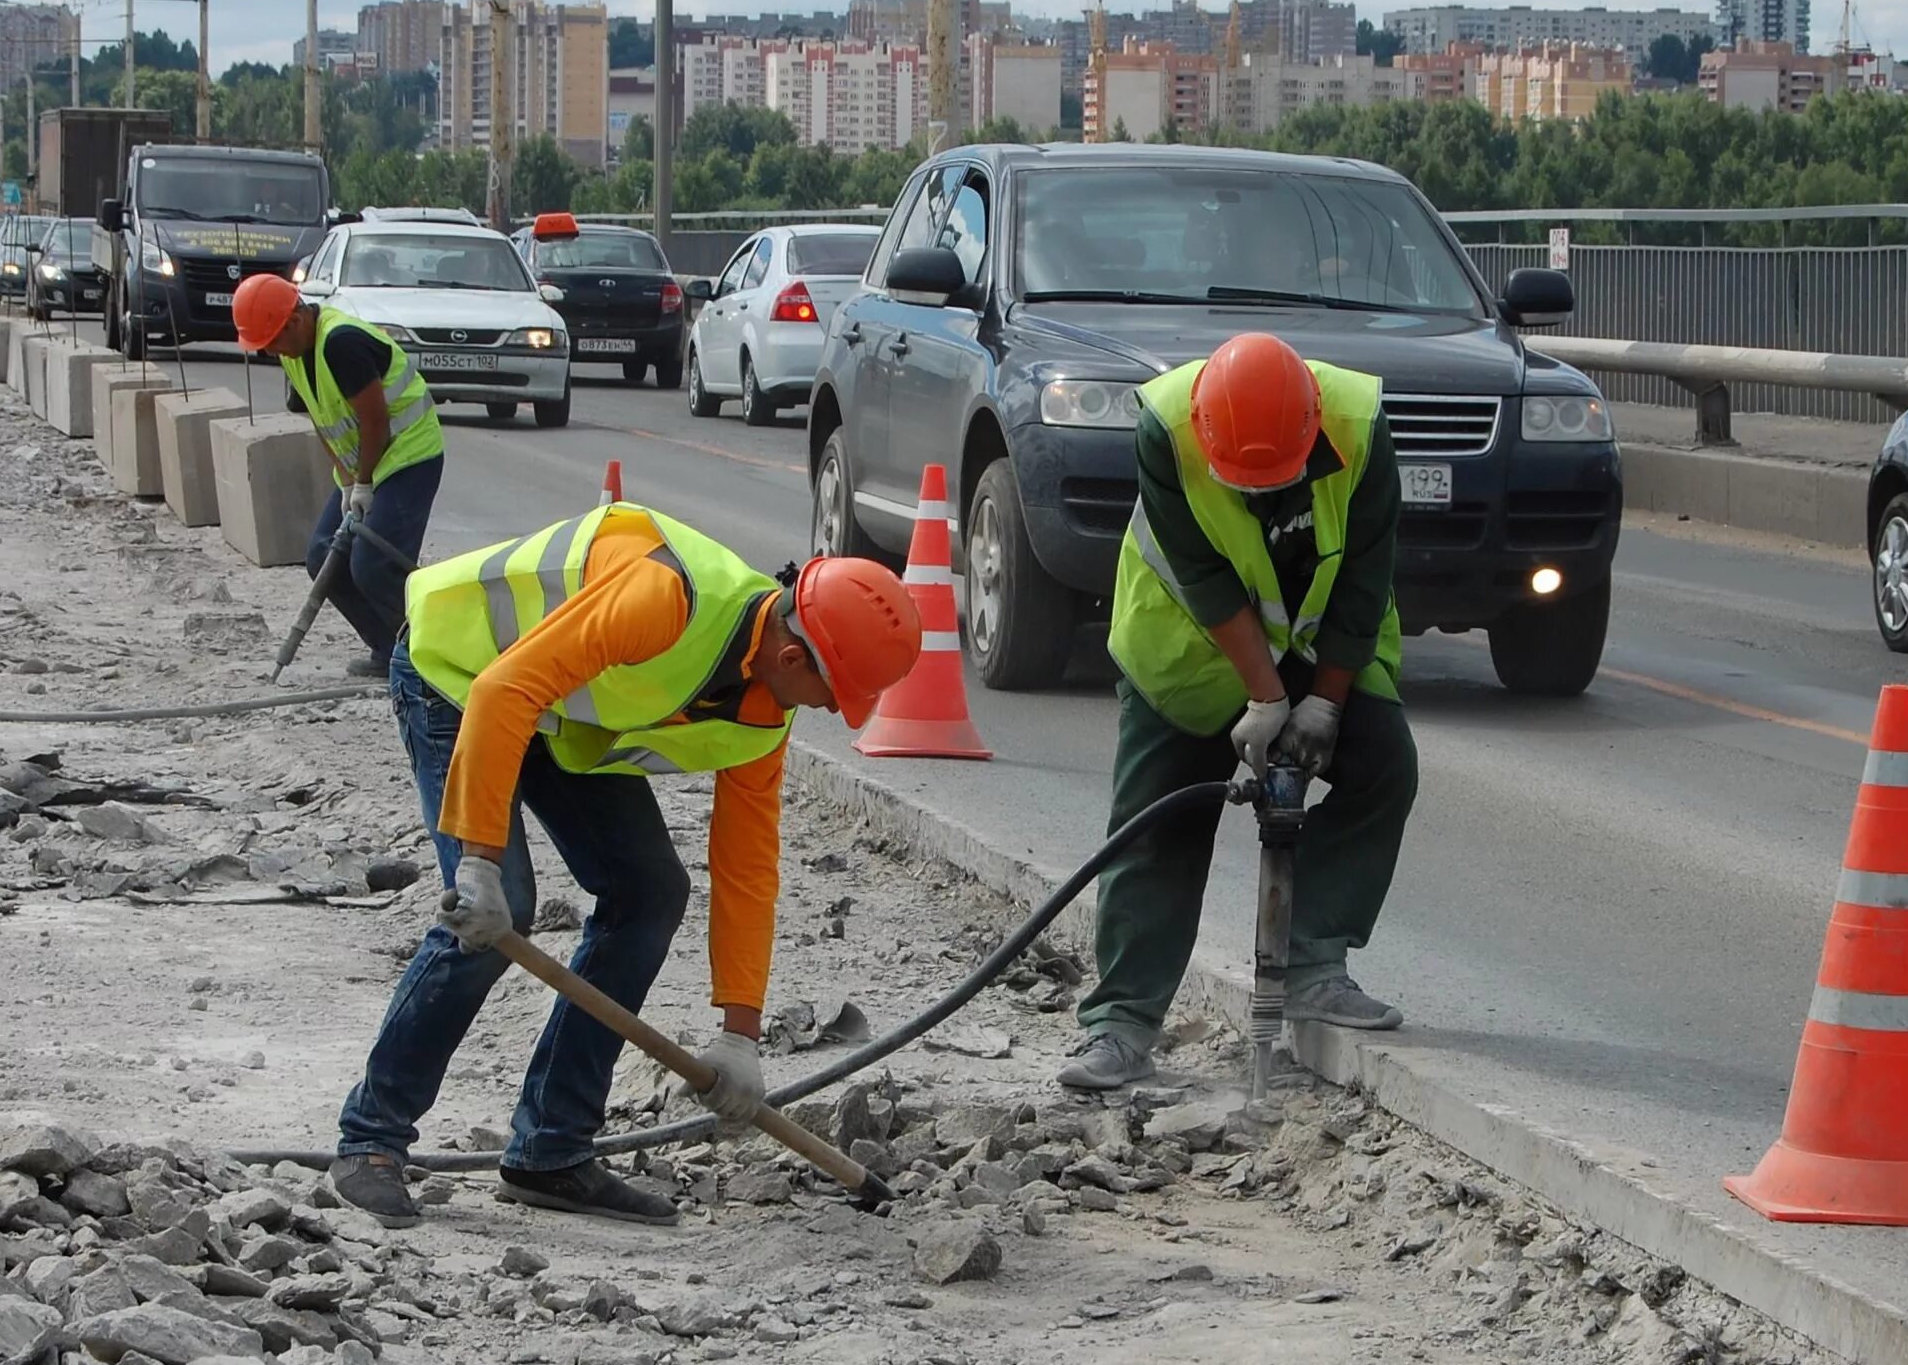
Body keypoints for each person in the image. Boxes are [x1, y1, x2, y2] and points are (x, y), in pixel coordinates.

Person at [326, 505, 926, 1228]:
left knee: (649, 892)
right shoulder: (666, 599)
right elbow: (501, 693)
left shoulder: (766, 709)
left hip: (564, 718)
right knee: (497, 909)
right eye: (834, 697)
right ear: (794, 657)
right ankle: (370, 1140)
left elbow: (746, 865)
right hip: (460, 676)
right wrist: (479, 862)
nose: (831, 712)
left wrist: (740, 1033)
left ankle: (551, 1147)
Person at [1060, 331, 1418, 1093]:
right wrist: (1265, 692)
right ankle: (1121, 1022)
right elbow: (1202, 576)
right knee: (1157, 822)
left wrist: (1324, 701)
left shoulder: (1360, 423)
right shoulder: (1167, 430)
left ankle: (1313, 959)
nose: (1256, 491)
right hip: (1191, 642)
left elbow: (1364, 574)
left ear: (1312, 423)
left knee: (1384, 768)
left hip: (1321, 638)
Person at [231, 272, 440, 678]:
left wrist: (363, 483)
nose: (271, 352)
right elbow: (322, 418)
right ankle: (390, 650)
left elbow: (375, 420)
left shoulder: (341, 343)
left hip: (410, 455)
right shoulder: (295, 354)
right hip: (366, 464)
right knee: (322, 555)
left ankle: (429, 657)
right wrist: (347, 481)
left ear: (294, 321)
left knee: (375, 565)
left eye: (272, 341)